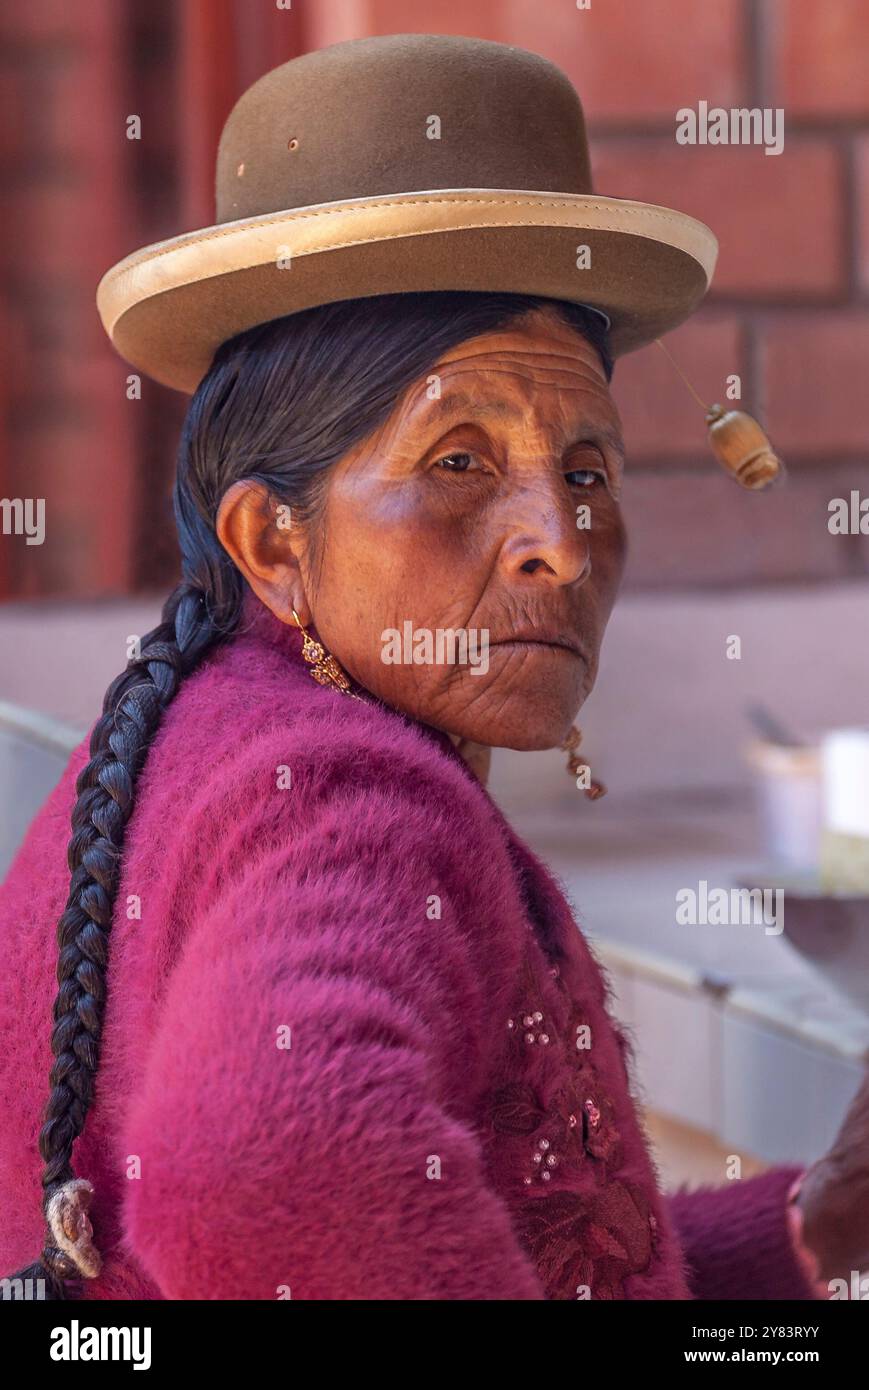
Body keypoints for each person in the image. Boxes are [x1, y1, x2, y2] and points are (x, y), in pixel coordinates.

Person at [2, 33, 866, 1302]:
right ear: (271, 539)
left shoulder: (190, 734)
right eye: (459, 462)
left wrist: (813, 1228)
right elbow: (267, 1168)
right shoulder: (352, 797)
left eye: (584, 473)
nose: (560, 548)